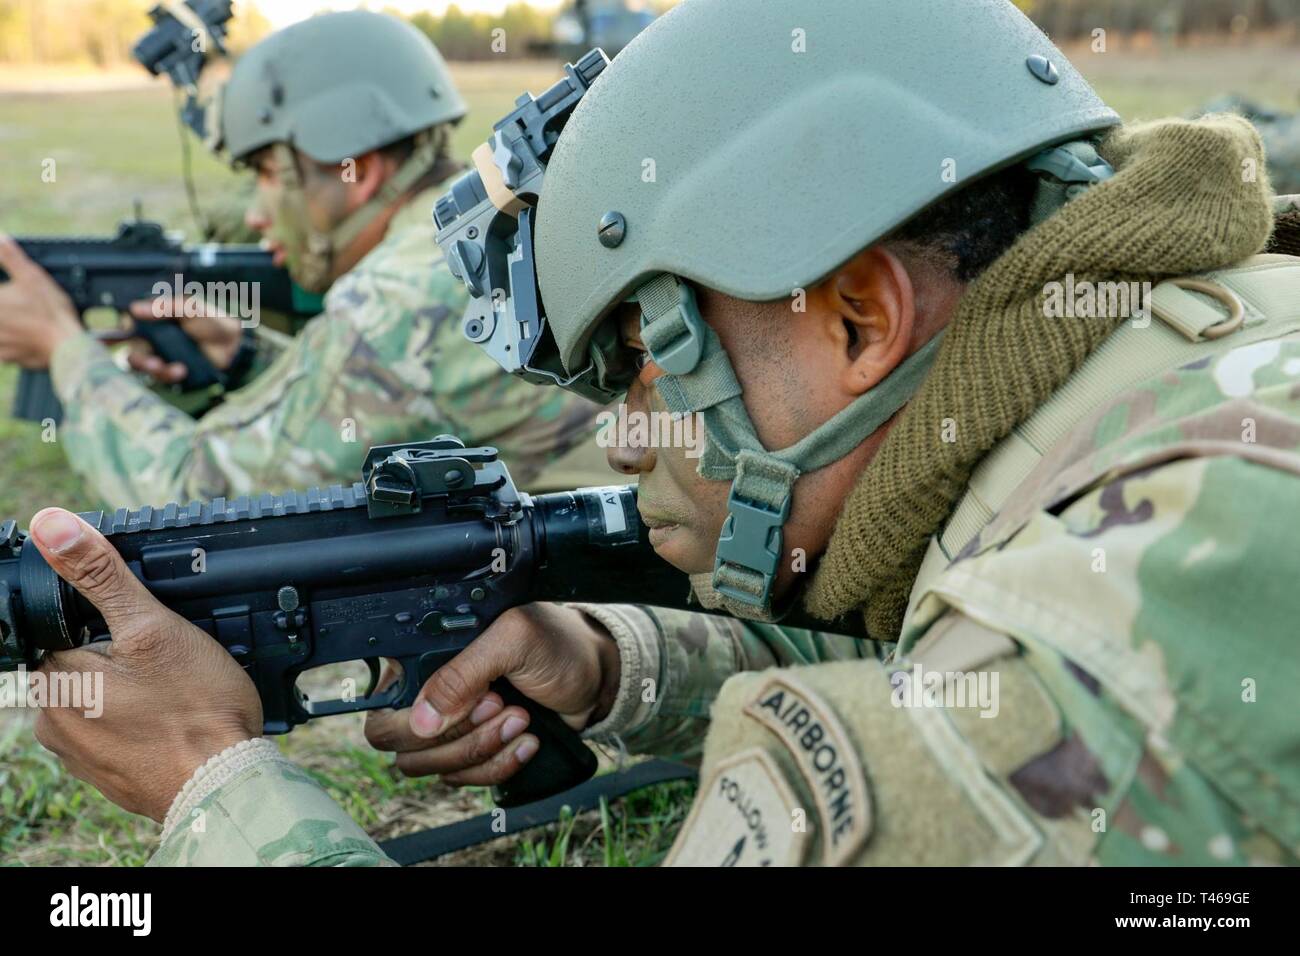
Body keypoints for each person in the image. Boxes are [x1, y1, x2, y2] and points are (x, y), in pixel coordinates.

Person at [25, 0, 1300, 866]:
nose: (628, 438)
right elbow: (930, 622)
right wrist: (609, 663)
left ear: (860, 316)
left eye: (647, 362)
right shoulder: (1184, 331)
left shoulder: (1098, 650)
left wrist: (215, 785)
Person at [0, 11, 606, 508]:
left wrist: (64, 350)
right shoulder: (467, 223)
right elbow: (397, 401)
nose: (256, 214)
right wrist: (245, 358)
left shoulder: (392, 298)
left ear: (358, 171)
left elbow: (200, 497)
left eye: (268, 174)